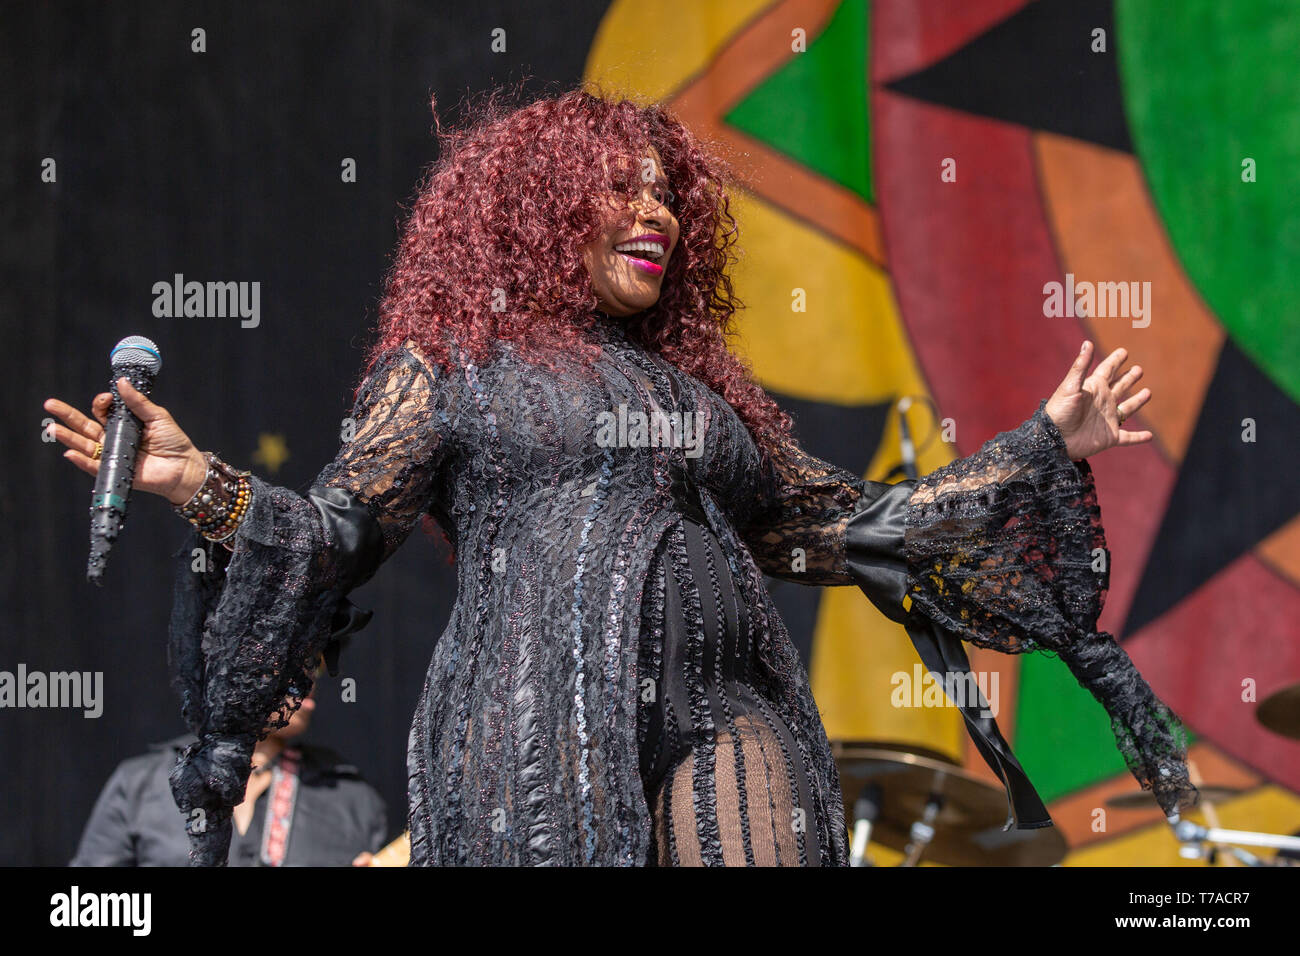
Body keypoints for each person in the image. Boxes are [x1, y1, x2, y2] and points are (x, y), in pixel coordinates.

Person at [44, 88, 1197, 866]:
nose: (656, 212)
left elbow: (850, 526)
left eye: (665, 193)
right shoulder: (455, 363)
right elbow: (339, 530)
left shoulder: (701, 395)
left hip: (729, 707)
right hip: (531, 714)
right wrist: (201, 482)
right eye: (621, 188)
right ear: (541, 210)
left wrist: (1037, 447)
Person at [70, 659, 388, 866]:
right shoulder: (141, 784)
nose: (310, 681)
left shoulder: (351, 799)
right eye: (295, 665)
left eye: (315, 669)